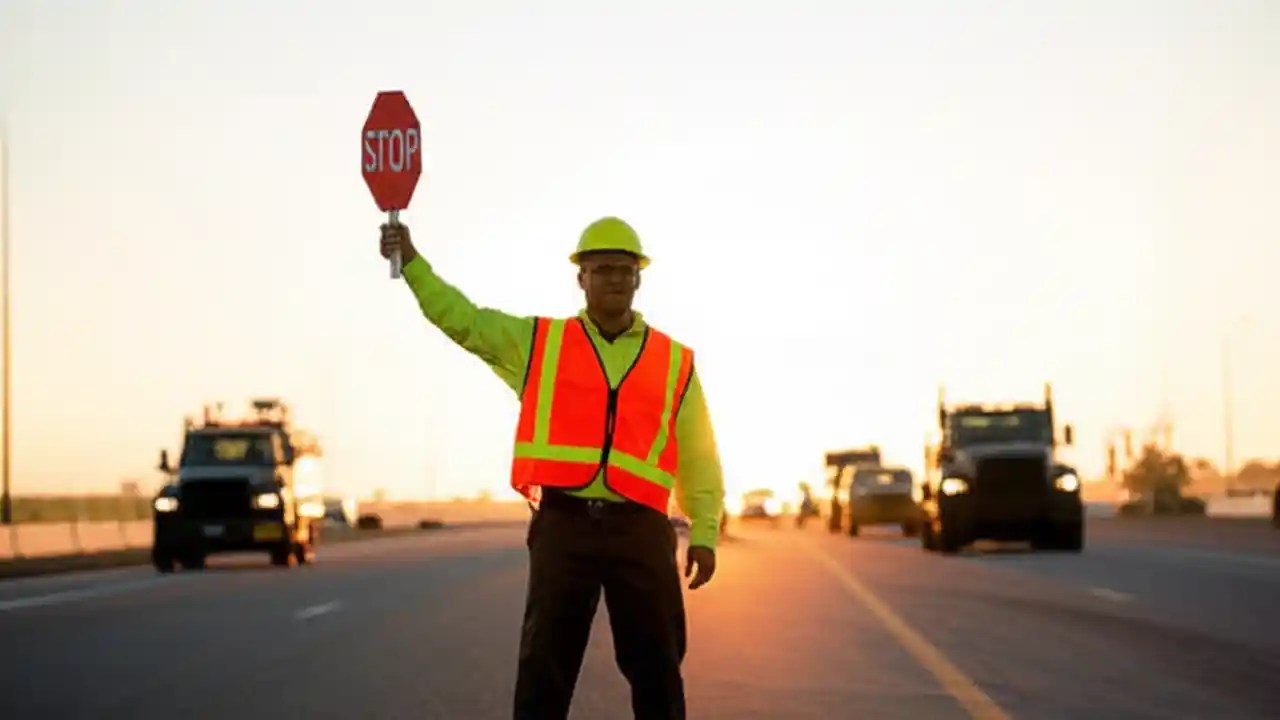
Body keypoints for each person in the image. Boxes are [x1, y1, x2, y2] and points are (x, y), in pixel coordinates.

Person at [379, 216, 726, 720]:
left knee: (658, 668)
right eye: (601, 268)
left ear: (639, 278)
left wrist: (705, 532)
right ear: (580, 277)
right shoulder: (540, 344)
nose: (613, 278)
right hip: (565, 527)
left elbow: (698, 454)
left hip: (641, 531)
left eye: (624, 270)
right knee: (545, 668)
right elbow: (463, 319)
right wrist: (411, 262)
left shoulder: (674, 361)